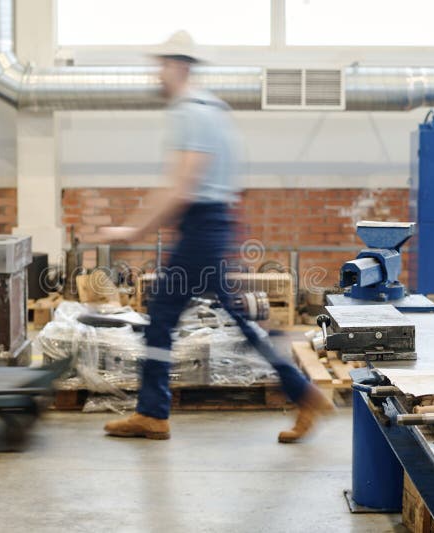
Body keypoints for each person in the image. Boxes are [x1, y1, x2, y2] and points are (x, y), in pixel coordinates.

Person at [99, 31, 333, 443]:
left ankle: (153, 413)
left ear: (179, 66)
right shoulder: (215, 110)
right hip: (214, 224)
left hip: (201, 227)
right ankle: (302, 391)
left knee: (166, 316)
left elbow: (182, 184)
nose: (156, 75)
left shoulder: (189, 111)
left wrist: (133, 229)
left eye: (161, 66)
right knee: (225, 318)